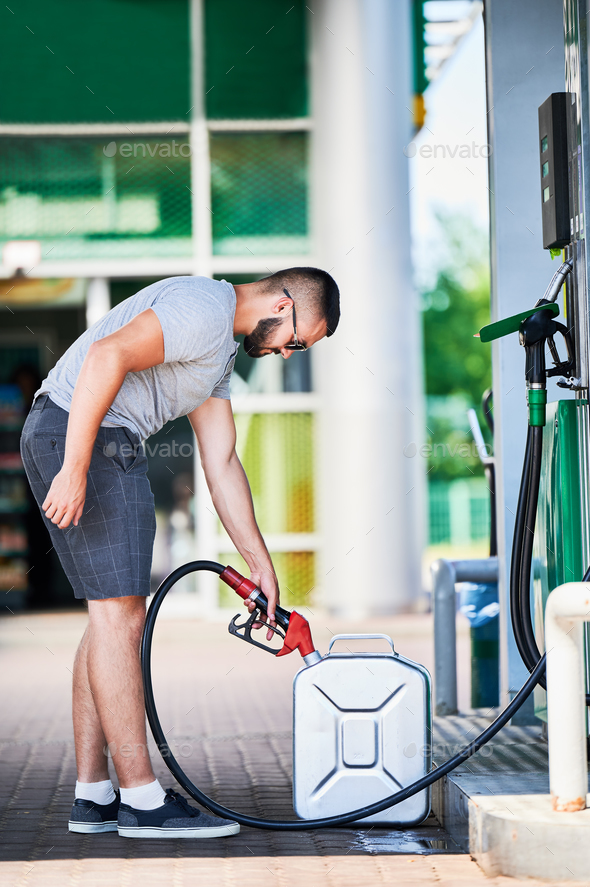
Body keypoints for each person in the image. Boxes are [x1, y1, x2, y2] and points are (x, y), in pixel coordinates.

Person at [20, 267, 340, 840]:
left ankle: (94, 795)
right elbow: (106, 356)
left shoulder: (217, 356)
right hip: (88, 435)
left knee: (107, 618)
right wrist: (74, 466)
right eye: (296, 341)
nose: (289, 354)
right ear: (283, 302)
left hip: (86, 433)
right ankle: (142, 800)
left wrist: (260, 564)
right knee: (121, 616)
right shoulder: (204, 310)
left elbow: (221, 463)